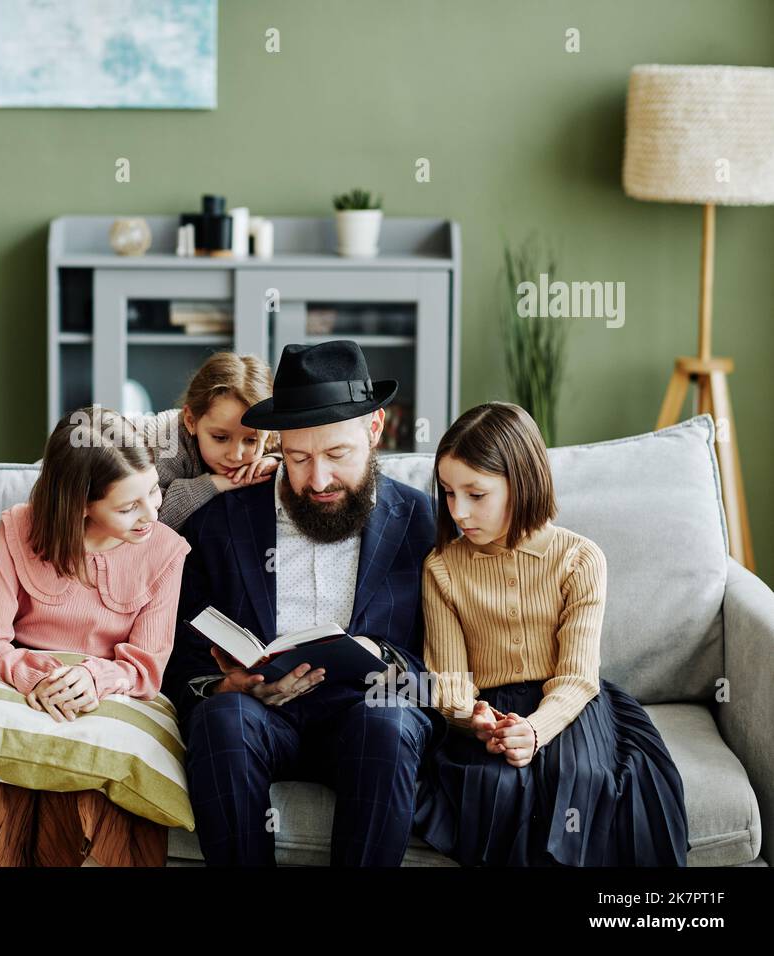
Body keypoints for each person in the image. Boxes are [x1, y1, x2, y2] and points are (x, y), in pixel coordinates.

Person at [163, 339, 446, 866]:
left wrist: (383, 658)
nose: (317, 480)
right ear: (279, 444)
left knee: (389, 722)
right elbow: (177, 655)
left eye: (337, 455)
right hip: (261, 715)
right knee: (221, 718)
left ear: (375, 429)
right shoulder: (218, 524)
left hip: (368, 712)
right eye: (298, 458)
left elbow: (447, 663)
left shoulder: (425, 523)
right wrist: (227, 683)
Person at [413, 401, 689, 865]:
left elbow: (578, 676)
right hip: (490, 709)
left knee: (585, 778)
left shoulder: (580, 559)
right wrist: (470, 717)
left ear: (522, 483)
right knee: (495, 786)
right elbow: (448, 675)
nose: (458, 511)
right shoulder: (440, 568)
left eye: (476, 494)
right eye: (447, 493)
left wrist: (535, 731)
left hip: (569, 704)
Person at [0, 407, 191, 866]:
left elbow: (147, 667)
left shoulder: (165, 549)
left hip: (107, 692)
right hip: (22, 683)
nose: (151, 514)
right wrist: (36, 677)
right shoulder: (20, 527)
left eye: (153, 492)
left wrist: (93, 679)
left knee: (88, 795)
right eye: (128, 507)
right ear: (81, 502)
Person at [124, 352, 282, 530]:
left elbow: (294, 450)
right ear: (191, 421)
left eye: (251, 440)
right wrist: (215, 483)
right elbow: (150, 520)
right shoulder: (168, 444)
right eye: (220, 438)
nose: (235, 455)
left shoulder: (270, 430)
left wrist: (275, 459)